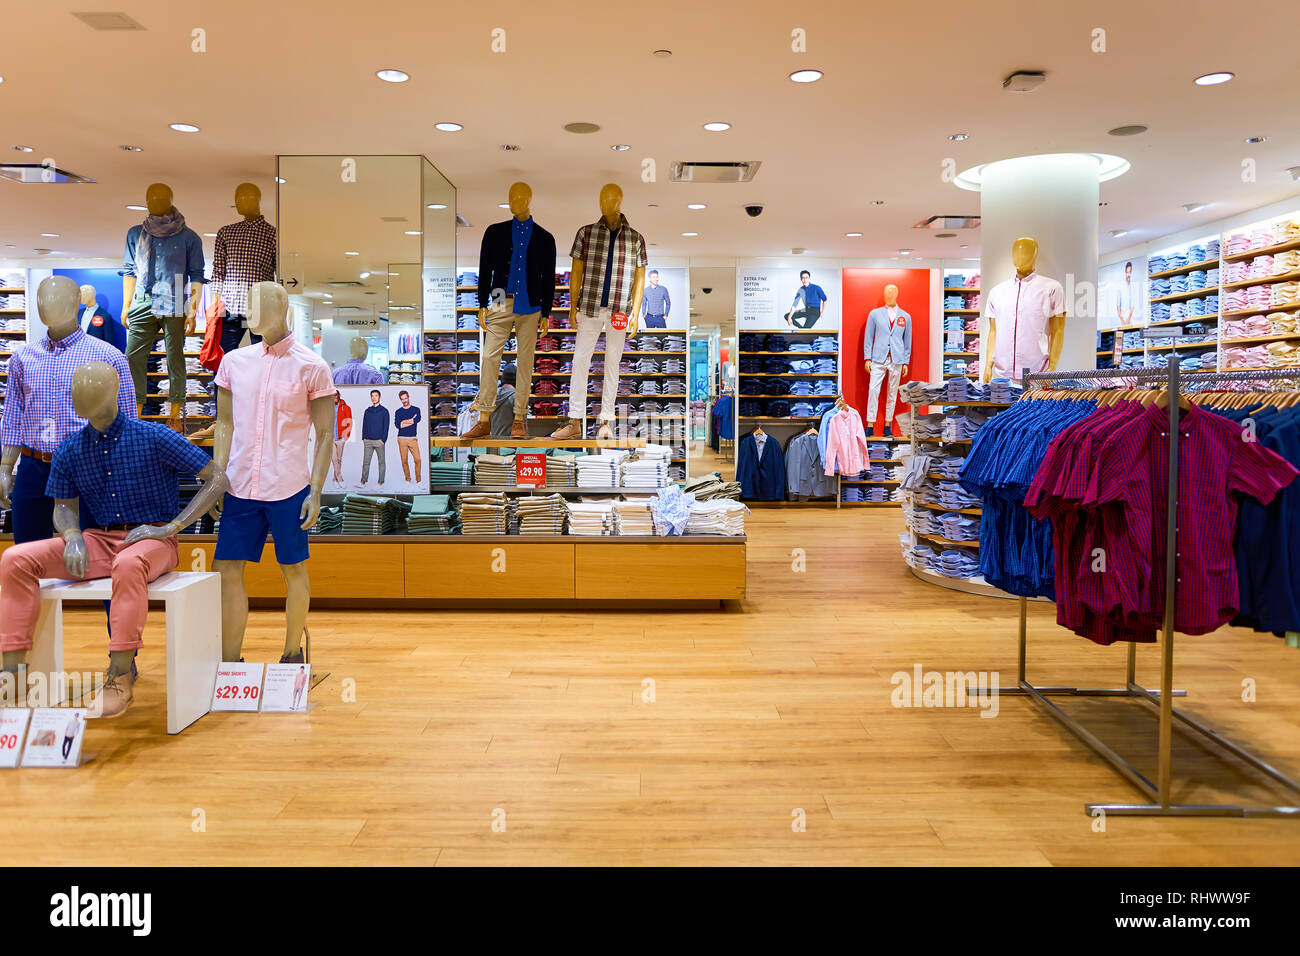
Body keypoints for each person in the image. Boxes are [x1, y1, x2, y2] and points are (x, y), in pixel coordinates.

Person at [359, 389, 389, 486]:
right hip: (368, 441)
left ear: (379, 397)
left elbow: (386, 426)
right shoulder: (367, 411)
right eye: (372, 396)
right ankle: (363, 481)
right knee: (366, 462)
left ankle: (381, 481)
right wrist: (364, 437)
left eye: (376, 395)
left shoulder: (384, 411)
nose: (374, 398)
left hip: (379, 441)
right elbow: (364, 425)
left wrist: (383, 440)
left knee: (381, 463)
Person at [394, 390, 422, 484]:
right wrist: (411, 420)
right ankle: (408, 479)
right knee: (404, 460)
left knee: (418, 459)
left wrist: (404, 422)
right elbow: (398, 425)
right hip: (401, 438)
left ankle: (418, 480)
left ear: (408, 397)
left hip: (413, 438)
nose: (404, 400)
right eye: (402, 399)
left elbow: (417, 419)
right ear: (400, 400)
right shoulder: (398, 411)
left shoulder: (416, 409)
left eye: (405, 398)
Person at [489, 364, 519, 438]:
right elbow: (522, 425)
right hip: (511, 444)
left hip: (494, 443)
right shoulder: (516, 397)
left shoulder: (491, 396)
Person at [332, 392, 352, 483]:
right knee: (334, 459)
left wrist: (346, 436)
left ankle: (335, 478)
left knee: (339, 459)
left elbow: (349, 422)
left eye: (335, 395)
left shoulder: (346, 408)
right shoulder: (328, 408)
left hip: (340, 438)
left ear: (339, 395)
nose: (334, 398)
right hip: (331, 438)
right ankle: (339, 478)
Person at [1117, 261, 1135, 327]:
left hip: (1130, 319)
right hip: (1121, 319)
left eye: (1130, 272)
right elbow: (1118, 305)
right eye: (1127, 272)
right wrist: (1122, 319)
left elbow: (1132, 305)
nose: (1128, 274)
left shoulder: (1133, 286)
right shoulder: (1120, 286)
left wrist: (1128, 319)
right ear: (1125, 272)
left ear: (1131, 272)